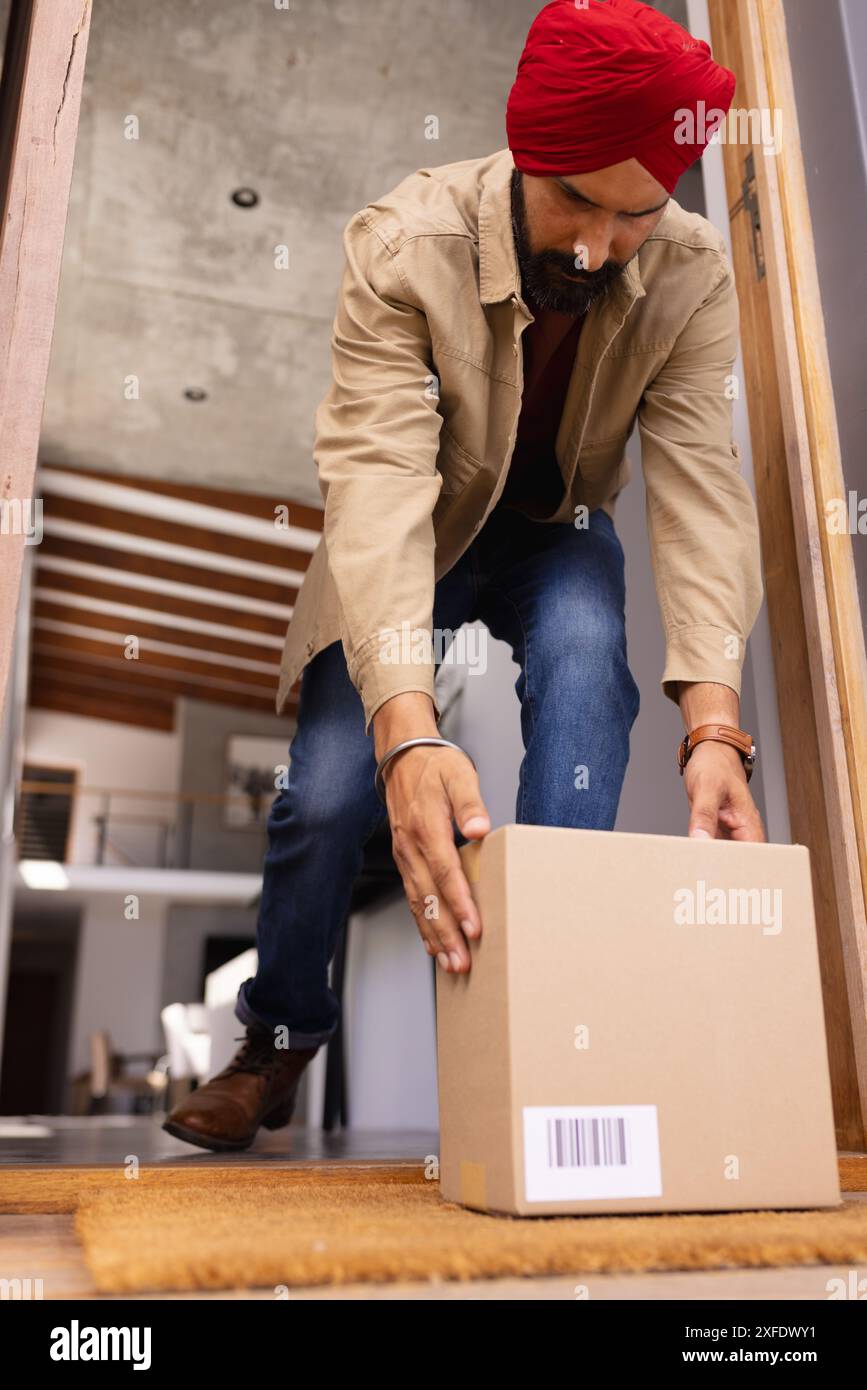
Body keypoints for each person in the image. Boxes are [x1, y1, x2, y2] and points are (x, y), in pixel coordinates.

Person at [164, 0, 764, 1153]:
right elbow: (378, 480)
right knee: (333, 786)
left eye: (634, 214)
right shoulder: (403, 241)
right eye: (575, 199)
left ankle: (549, 1026)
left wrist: (717, 727)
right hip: (414, 532)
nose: (597, 246)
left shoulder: (691, 276)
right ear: (525, 151)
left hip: (557, 523)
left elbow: (699, 485)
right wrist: (406, 724)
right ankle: (279, 1038)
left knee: (593, 672)